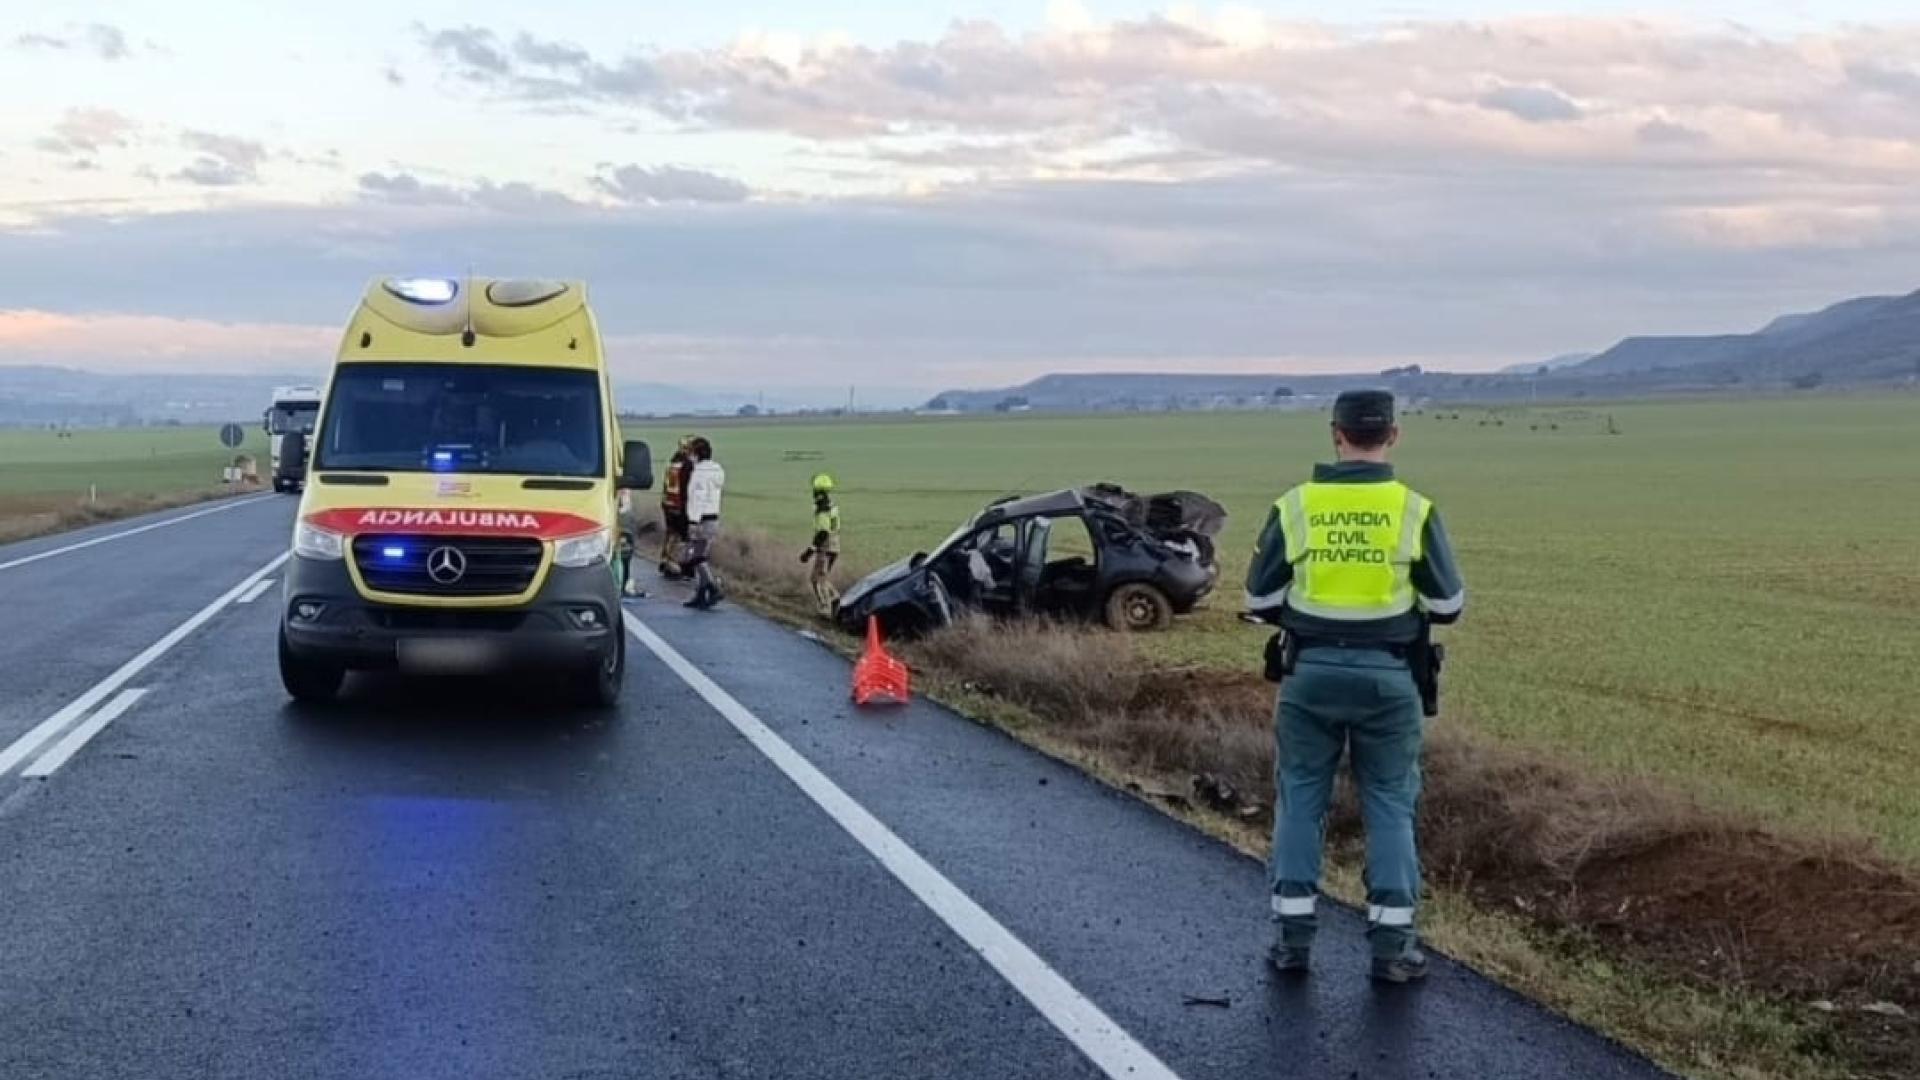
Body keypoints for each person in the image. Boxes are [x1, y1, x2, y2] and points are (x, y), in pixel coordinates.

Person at [1244, 389, 1465, 984]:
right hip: (1391, 678)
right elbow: (1448, 603)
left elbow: (1258, 599)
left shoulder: (1295, 505)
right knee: (1390, 805)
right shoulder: (1414, 509)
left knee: (1299, 800)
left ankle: (1293, 944)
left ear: (1334, 433)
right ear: (1393, 436)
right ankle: (1393, 950)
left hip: (1310, 675)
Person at [682, 436, 726, 610]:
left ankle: (712, 587)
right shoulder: (717, 471)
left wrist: (692, 520)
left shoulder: (699, 473)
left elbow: (697, 498)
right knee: (700, 555)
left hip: (700, 519)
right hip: (713, 517)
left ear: (696, 454)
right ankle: (700, 594)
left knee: (696, 557)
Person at [799, 473, 842, 615]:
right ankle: (834, 598)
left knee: (817, 580)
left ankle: (825, 608)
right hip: (835, 545)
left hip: (825, 547)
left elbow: (823, 531)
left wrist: (810, 551)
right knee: (822, 577)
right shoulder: (832, 504)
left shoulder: (822, 509)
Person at [658, 437, 694, 579]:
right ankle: (674, 566)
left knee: (670, 534)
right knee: (681, 536)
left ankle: (665, 560)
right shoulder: (687, 465)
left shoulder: (673, 463)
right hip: (679, 505)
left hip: (668, 503)